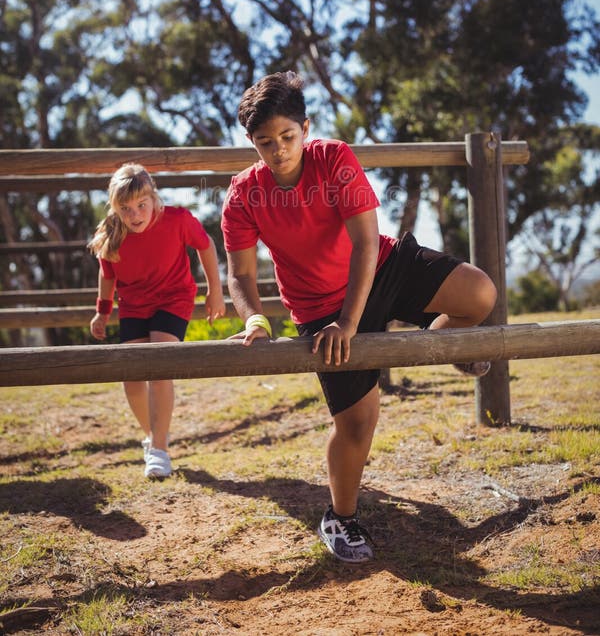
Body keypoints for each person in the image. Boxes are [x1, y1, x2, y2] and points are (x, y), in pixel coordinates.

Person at [221, 71, 497, 563]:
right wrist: (255, 320)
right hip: (316, 307)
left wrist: (351, 322)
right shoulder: (244, 194)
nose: (280, 149)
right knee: (357, 424)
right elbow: (240, 275)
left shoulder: (334, 158)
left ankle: (445, 344)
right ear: (251, 143)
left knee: (479, 294)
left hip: (380, 268)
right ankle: (340, 518)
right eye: (266, 143)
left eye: (288, 136)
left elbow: (367, 242)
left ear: (306, 128)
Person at [88, 163, 226, 479]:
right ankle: (153, 436)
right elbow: (106, 272)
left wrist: (214, 292)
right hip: (134, 304)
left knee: (160, 361)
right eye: (125, 208)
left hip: (173, 298)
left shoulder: (178, 220)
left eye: (141, 205)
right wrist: (102, 310)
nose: (135, 214)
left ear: (153, 198)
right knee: (133, 378)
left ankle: (160, 450)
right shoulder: (112, 231)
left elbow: (206, 246)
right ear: (115, 207)